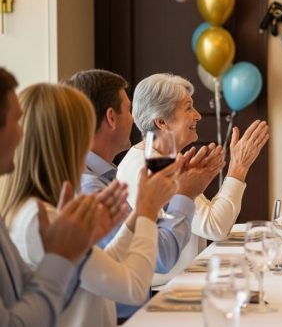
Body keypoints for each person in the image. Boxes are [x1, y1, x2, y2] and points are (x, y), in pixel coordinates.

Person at [0, 83, 179, 327]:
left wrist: (137, 215)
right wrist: (148, 210)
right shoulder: (42, 217)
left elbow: (101, 268)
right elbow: (134, 288)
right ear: (70, 140)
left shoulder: (33, 209)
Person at [66, 69, 201, 320]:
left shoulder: (105, 178)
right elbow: (161, 257)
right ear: (111, 117)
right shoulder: (90, 189)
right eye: (128, 110)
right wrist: (186, 194)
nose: (136, 120)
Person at [116, 73, 269, 285]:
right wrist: (238, 168)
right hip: (164, 292)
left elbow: (209, 222)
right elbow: (215, 226)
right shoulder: (152, 167)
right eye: (188, 107)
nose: (197, 115)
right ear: (162, 122)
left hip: (181, 282)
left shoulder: (159, 158)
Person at [0, 68, 108, 327]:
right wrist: (60, 257)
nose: (22, 134)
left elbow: (30, 293)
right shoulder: (36, 215)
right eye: (16, 121)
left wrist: (70, 252)